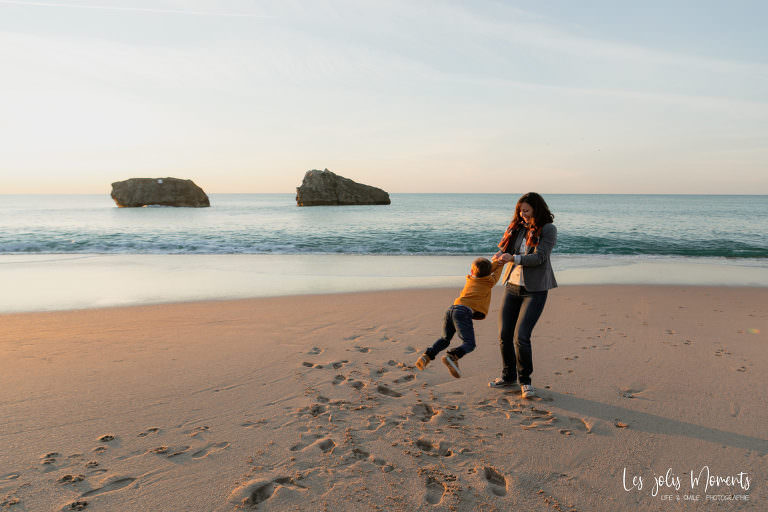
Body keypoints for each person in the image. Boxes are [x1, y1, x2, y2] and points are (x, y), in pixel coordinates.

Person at [489, 192, 557, 398]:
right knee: (504, 335)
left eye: (526, 211)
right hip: (512, 286)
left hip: (535, 290)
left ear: (537, 209)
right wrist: (500, 257)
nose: (523, 214)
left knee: (522, 336)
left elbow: (539, 258)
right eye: (520, 211)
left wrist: (514, 258)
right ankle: (508, 376)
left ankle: (525, 381)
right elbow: (507, 251)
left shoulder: (548, 229)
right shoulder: (517, 228)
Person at [415, 257, 504, 378]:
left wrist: (495, 261)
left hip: (452, 309)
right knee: (469, 344)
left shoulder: (470, 278)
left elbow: (487, 270)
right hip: (463, 312)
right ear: (489, 273)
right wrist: (502, 262)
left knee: (445, 339)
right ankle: (452, 355)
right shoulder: (489, 281)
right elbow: (496, 272)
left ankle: (427, 356)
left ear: (472, 272)